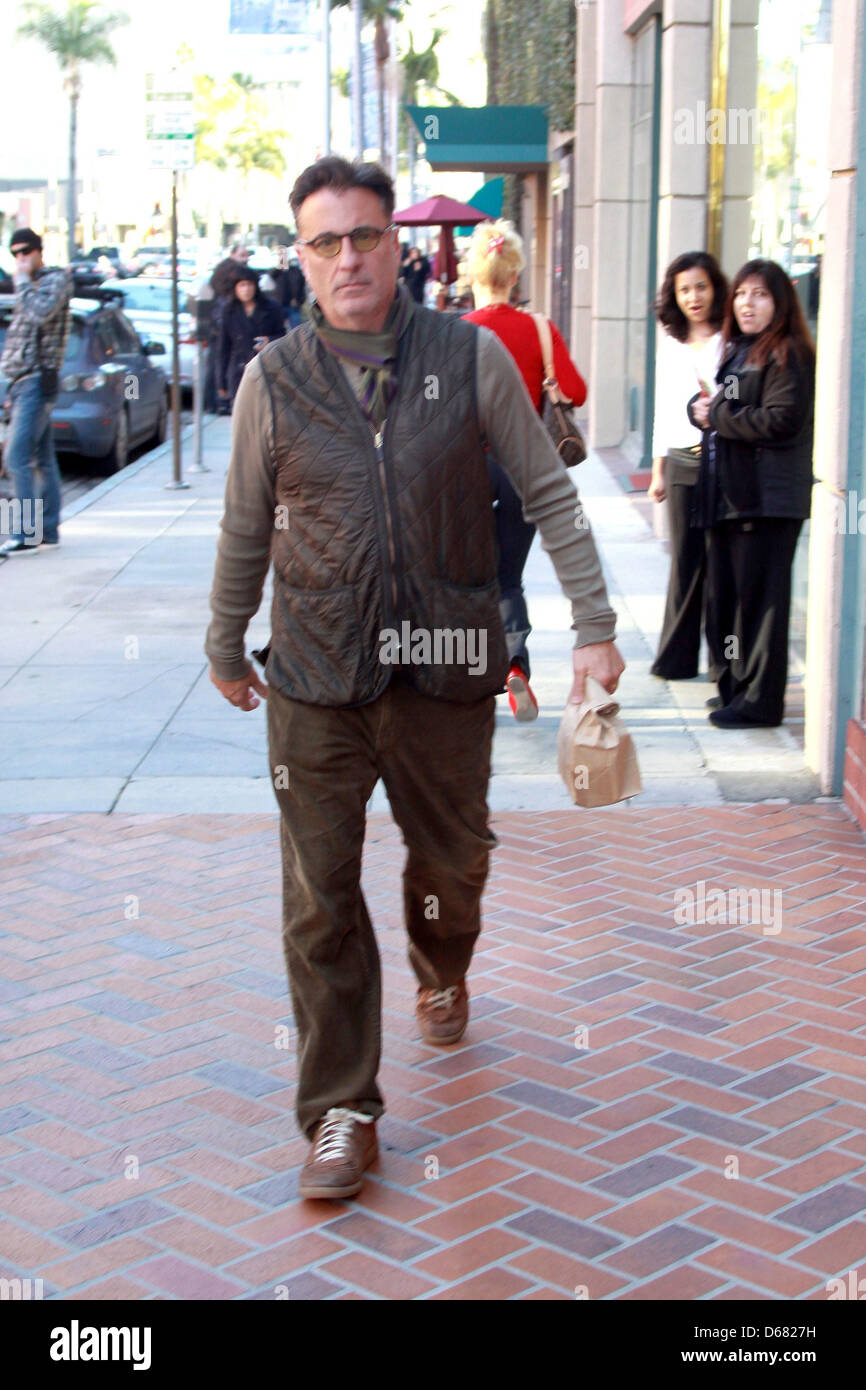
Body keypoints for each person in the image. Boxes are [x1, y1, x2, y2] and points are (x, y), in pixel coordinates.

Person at [204, 156, 624, 1202]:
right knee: (317, 899)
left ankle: (443, 968)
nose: (347, 257)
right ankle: (341, 1110)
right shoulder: (273, 379)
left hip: (443, 668)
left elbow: (548, 495)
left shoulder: (469, 358)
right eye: (323, 241)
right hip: (313, 673)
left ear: (397, 245)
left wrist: (592, 628)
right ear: (300, 256)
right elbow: (245, 525)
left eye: (364, 236)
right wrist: (222, 640)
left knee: (452, 866)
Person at [463, 219, 588, 721]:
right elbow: (575, 391)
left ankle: (468, 677)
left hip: (468, 472)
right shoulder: (539, 329)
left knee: (469, 579)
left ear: (472, 275)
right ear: (514, 276)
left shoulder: (459, 333)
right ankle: (515, 666)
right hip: (525, 472)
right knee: (507, 577)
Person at [689, 259, 815, 728]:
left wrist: (715, 417)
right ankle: (735, 686)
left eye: (760, 295)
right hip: (731, 496)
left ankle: (760, 702)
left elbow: (780, 420)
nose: (747, 303)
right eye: (742, 294)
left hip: (767, 500)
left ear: (779, 303)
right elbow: (725, 406)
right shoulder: (742, 351)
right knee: (729, 600)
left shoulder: (788, 354)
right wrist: (699, 408)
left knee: (761, 606)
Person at [648, 252, 728, 682]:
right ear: (674, 296)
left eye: (700, 286)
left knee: (719, 564)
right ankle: (675, 660)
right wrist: (658, 470)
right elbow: (663, 409)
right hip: (680, 462)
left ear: (714, 287)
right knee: (684, 562)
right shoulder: (672, 344)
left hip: (722, 465)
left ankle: (721, 664)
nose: (693, 297)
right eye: (683, 290)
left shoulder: (730, 339)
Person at [0, 228, 71, 557]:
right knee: (42, 458)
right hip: (21, 381)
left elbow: (41, 313)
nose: (21, 258)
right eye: (15, 253)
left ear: (39, 251)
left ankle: (24, 533)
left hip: (38, 379)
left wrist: (24, 281)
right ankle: (49, 529)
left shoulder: (55, 280)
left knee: (15, 457)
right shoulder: (26, 287)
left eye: (26, 251)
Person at [216, 267, 285, 409]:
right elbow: (224, 347)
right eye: (242, 285)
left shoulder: (271, 307)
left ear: (256, 286)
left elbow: (284, 337)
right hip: (239, 371)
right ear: (235, 288)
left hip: (265, 370)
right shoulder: (229, 311)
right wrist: (221, 382)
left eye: (249, 284)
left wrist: (269, 341)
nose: (246, 289)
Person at [204, 244, 250, 413]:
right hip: (222, 320)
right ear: (233, 254)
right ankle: (219, 400)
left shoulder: (223, 269)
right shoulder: (232, 270)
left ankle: (214, 401)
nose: (246, 258)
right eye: (242, 254)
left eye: (247, 255)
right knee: (221, 361)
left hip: (217, 320)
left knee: (216, 362)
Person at [271, 252, 307, 329]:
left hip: (293, 305)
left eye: (285, 257)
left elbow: (301, 285)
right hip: (280, 304)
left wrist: (299, 300)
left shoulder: (295, 270)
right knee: (278, 328)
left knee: (297, 328)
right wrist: (280, 265)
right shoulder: (277, 272)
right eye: (281, 257)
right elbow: (272, 276)